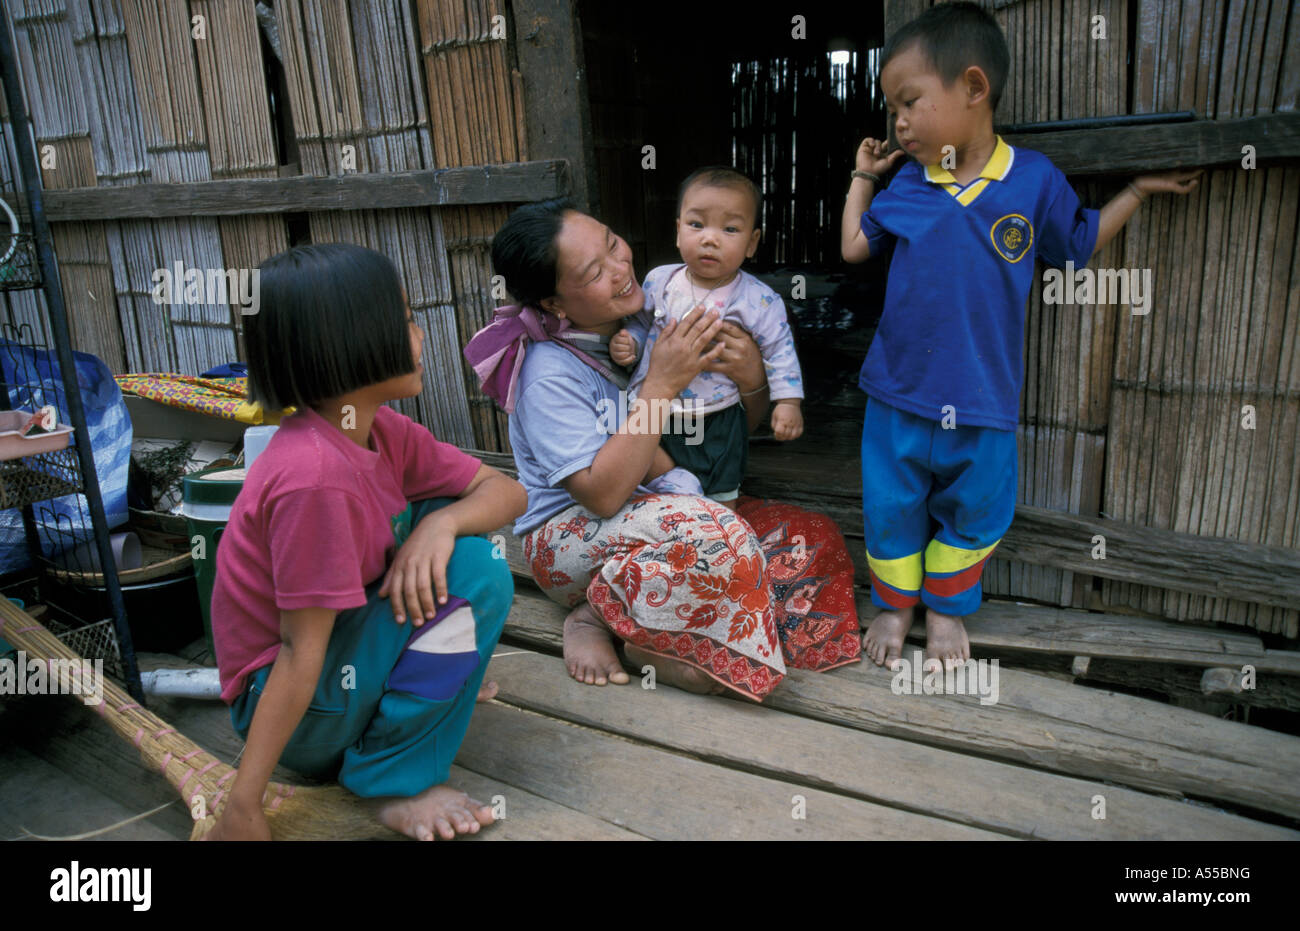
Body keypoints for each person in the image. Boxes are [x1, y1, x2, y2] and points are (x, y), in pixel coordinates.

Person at [841, 2, 1203, 673]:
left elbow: (1078, 244)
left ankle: (946, 606)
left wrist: (1137, 190)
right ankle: (894, 604)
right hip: (896, 391)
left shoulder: (1033, 180)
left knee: (976, 509)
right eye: (893, 107)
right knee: (890, 503)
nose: (898, 121)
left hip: (983, 398)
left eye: (910, 101)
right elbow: (856, 247)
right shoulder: (910, 184)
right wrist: (864, 177)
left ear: (973, 88)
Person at [205, 243, 526, 841]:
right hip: (299, 716)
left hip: (332, 679)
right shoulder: (314, 479)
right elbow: (300, 653)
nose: (421, 333)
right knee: (477, 573)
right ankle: (391, 780)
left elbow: (504, 491)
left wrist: (439, 525)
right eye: (405, 319)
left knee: (454, 524)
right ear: (351, 342)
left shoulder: (377, 431)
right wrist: (243, 804)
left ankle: (415, 694)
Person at [610, 167, 805, 505]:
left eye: (730, 229)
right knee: (656, 490)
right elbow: (641, 322)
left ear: (751, 243)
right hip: (659, 412)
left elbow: (779, 351)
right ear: (677, 231)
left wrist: (788, 402)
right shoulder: (660, 281)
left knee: (721, 492)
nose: (709, 238)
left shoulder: (758, 300)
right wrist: (631, 340)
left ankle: (722, 541)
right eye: (696, 224)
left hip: (719, 417)